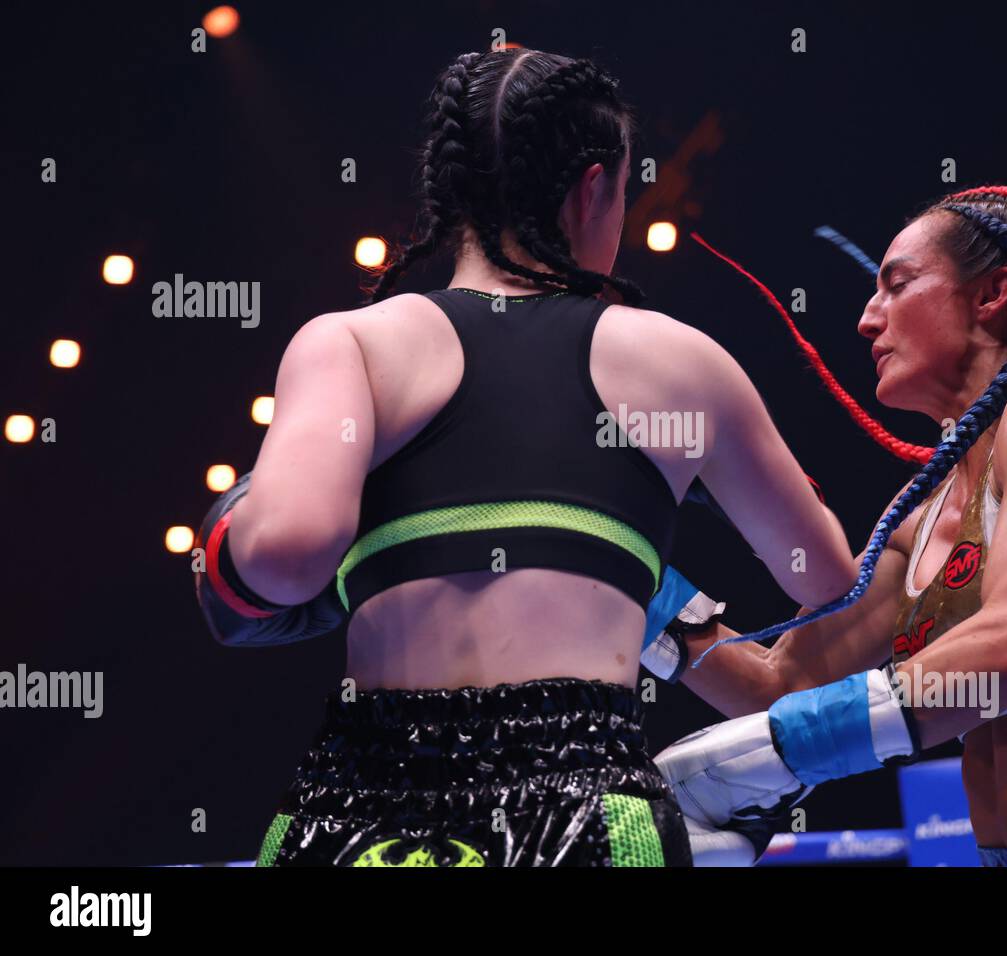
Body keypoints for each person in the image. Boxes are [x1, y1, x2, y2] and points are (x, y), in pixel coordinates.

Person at [191, 47, 857, 867]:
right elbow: (824, 583)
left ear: (456, 191)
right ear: (594, 187)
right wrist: (622, 554)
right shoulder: (682, 363)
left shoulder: (350, 343)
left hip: (358, 814)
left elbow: (287, 561)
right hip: (583, 810)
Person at [653, 187, 1007, 867]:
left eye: (897, 285)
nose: (868, 320)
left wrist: (796, 743)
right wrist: (632, 581)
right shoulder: (921, 518)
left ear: (992, 294)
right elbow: (779, 686)